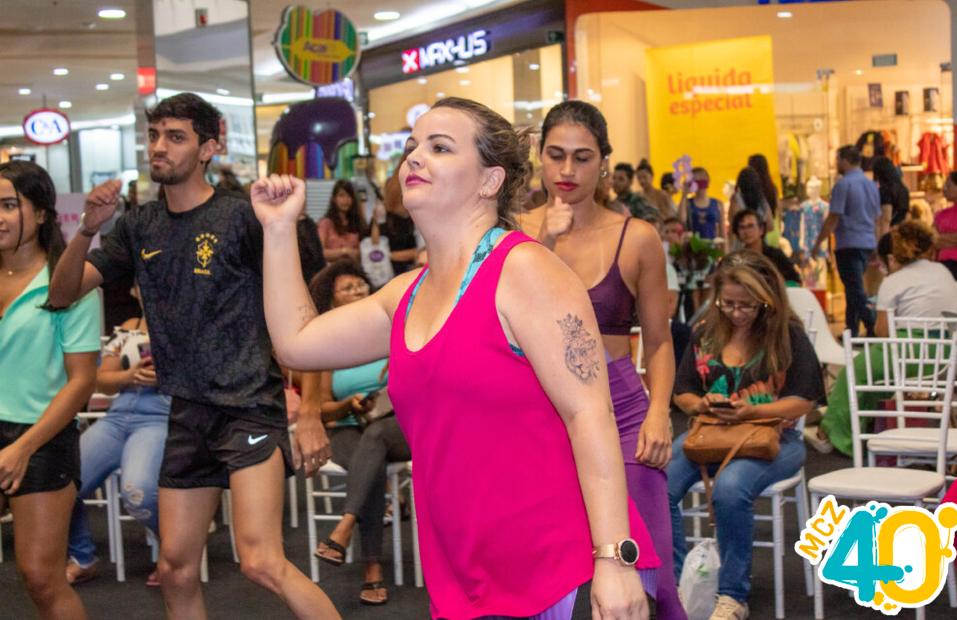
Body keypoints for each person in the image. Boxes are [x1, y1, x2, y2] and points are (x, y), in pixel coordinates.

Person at [254, 96, 658, 619]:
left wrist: (614, 559)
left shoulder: (525, 270)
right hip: (463, 572)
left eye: (440, 147)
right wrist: (280, 229)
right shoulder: (406, 294)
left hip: (560, 568)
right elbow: (296, 342)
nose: (414, 158)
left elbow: (591, 414)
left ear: (490, 180)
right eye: (412, 147)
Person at [46, 93, 340, 619]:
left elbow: (302, 318)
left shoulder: (244, 216)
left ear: (209, 147)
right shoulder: (138, 226)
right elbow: (64, 292)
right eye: (155, 135)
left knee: (261, 562)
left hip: (248, 408)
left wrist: (312, 409)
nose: (159, 147)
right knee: (177, 567)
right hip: (185, 413)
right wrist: (88, 227)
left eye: (175, 137)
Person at [532, 100, 685, 619]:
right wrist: (544, 239)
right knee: (549, 579)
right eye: (556, 156)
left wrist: (659, 411)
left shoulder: (636, 237)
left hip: (620, 405)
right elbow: (492, 314)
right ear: (539, 158)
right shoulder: (513, 232)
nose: (568, 171)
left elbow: (660, 341)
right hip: (538, 410)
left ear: (604, 162)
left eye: (583, 157)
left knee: (642, 572)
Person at [668, 250, 825, 620]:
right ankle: (675, 586)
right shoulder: (706, 332)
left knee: (730, 487)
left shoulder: (787, 336)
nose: (736, 313)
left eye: (747, 306)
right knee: (657, 480)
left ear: (766, 301)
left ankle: (732, 595)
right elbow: (683, 392)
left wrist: (755, 411)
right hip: (713, 433)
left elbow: (804, 400)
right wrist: (704, 404)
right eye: (728, 304)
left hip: (776, 439)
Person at [0, 160, 100, 620]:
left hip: (39, 437)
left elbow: (81, 380)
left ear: (40, 214)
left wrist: (23, 446)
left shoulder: (68, 280)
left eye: (7, 205)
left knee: (41, 577)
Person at [302, 261, 410, 606]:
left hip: (399, 426)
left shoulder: (394, 328)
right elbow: (320, 406)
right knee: (370, 462)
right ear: (332, 302)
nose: (358, 291)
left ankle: (344, 526)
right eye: (347, 288)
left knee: (376, 437)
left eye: (360, 284)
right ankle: (371, 567)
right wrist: (349, 405)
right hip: (349, 427)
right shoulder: (327, 345)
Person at [806, 221, 957, 456]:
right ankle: (863, 430)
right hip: (945, 356)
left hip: (907, 354)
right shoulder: (942, 272)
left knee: (856, 371)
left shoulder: (894, 281)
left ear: (893, 255)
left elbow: (882, 331)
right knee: (873, 372)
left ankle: (835, 435)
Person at [66, 285, 169, 587]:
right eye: (143, 283)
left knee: (138, 491)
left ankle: (177, 549)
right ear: (135, 291)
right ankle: (82, 556)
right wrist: (129, 376)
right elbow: (101, 380)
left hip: (160, 418)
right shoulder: (128, 328)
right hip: (118, 416)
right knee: (60, 480)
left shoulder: (187, 326)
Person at [811, 145, 881, 337]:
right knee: (854, 288)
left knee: (854, 288)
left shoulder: (843, 185)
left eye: (837, 159)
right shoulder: (871, 185)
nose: (836, 164)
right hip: (867, 242)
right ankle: (851, 328)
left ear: (845, 160)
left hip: (848, 242)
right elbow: (877, 218)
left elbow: (834, 217)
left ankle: (872, 323)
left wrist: (818, 243)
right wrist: (876, 242)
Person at [731, 209, 801, 284]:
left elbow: (794, 279)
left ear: (761, 229)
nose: (746, 231)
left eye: (750, 226)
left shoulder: (776, 255)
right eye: (742, 228)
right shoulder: (736, 259)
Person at [375, 165, 420, 275]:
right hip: (386, 272)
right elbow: (375, 246)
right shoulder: (383, 215)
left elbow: (420, 251)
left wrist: (389, 255)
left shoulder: (416, 216)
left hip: (412, 270)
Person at [318, 179, 366, 264]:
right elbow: (320, 252)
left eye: (349, 196)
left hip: (354, 270)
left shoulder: (357, 222)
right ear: (334, 199)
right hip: (332, 271)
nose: (346, 200)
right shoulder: (325, 223)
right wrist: (344, 251)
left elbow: (365, 251)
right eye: (341, 195)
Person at [934, 170, 957, 282]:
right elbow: (930, 238)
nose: (944, 189)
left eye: (948, 185)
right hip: (940, 265)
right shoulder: (941, 214)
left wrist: (940, 239)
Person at [679, 167, 724, 241]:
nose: (700, 185)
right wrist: (684, 195)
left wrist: (724, 250)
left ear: (708, 181)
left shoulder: (717, 204)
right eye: (696, 181)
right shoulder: (687, 203)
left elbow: (722, 232)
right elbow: (681, 220)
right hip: (693, 246)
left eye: (702, 181)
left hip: (712, 245)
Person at [728, 167, 773, 234]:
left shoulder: (736, 199)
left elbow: (732, 222)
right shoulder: (762, 201)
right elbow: (770, 226)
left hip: (741, 240)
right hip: (758, 241)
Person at [872, 156, 909, 235]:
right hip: (902, 231)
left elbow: (886, 218)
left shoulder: (884, 191)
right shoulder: (904, 189)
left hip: (888, 231)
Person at [746, 154, 779, 221]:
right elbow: (777, 212)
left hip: (756, 228)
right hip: (772, 228)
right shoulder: (773, 188)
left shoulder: (749, 190)